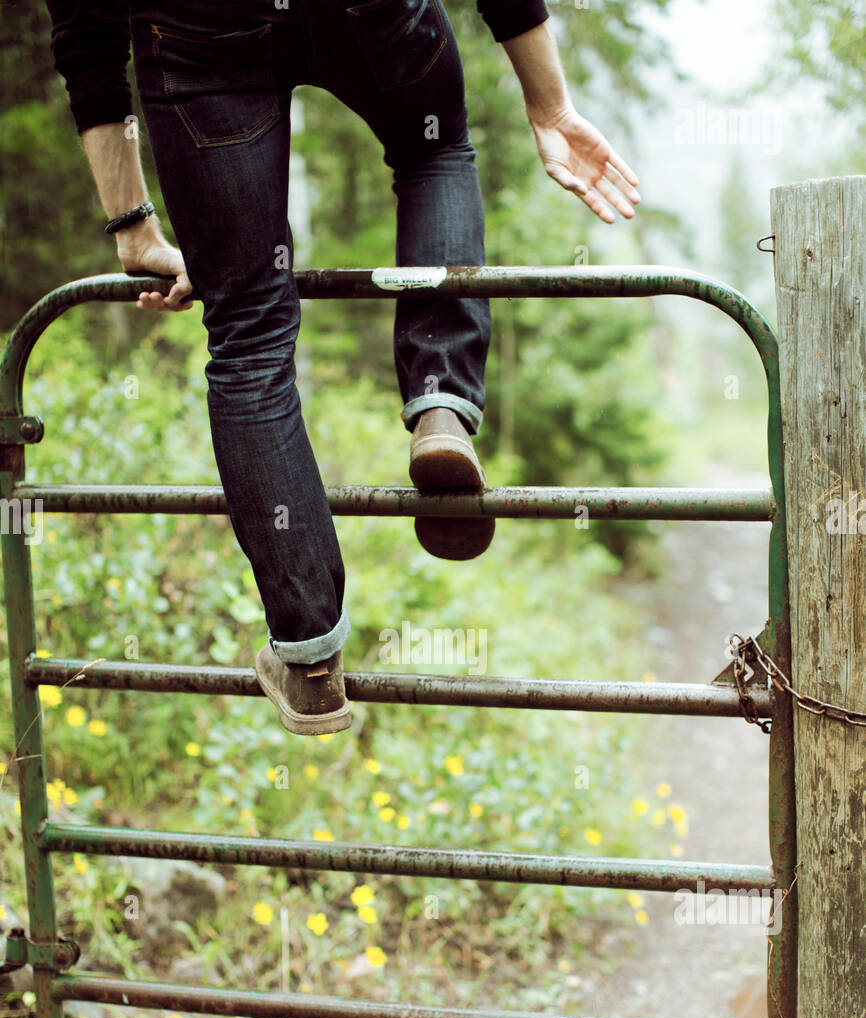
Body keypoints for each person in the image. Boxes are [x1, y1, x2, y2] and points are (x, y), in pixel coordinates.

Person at [45, 0, 639, 735]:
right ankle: (440, 400)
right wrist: (549, 106)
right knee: (432, 151)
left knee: (249, 335)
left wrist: (132, 224)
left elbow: (85, 26)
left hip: (195, 27)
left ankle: (311, 658)